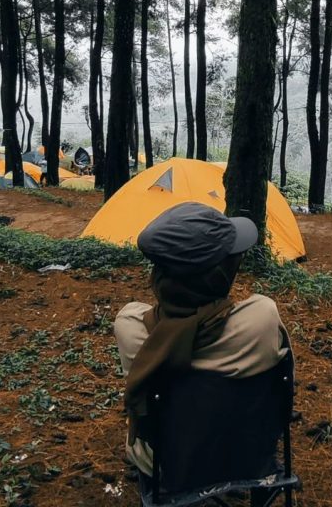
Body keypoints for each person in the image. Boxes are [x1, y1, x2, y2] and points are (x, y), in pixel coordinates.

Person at [114, 202, 290, 476]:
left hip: (166, 465)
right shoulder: (261, 319)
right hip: (246, 459)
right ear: (220, 276)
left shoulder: (132, 327)